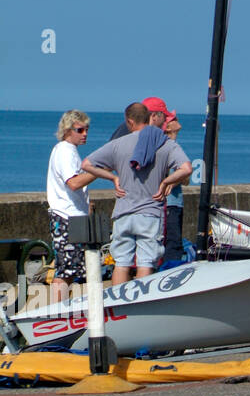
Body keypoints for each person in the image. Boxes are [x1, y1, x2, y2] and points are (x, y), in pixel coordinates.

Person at [81, 102, 192, 286]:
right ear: (149, 118)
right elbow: (186, 168)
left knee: (122, 263)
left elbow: (86, 164)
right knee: (146, 263)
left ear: (129, 121)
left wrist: (112, 178)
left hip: (123, 210)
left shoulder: (118, 144)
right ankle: (143, 303)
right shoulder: (165, 144)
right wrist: (166, 181)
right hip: (150, 212)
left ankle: (119, 306)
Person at [47, 110, 97, 302]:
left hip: (73, 217)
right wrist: (99, 171)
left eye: (86, 129)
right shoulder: (65, 151)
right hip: (66, 218)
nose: (84, 133)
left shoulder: (69, 151)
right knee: (65, 271)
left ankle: (60, 310)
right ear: (67, 130)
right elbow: (74, 183)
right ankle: (56, 313)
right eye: (80, 129)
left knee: (71, 270)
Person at [160, 115, 188, 266]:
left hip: (176, 202)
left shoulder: (176, 146)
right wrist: (176, 179)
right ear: (168, 127)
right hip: (169, 203)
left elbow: (186, 178)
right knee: (172, 243)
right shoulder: (168, 147)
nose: (177, 120)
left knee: (174, 241)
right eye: (173, 119)